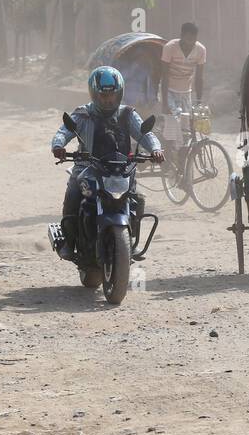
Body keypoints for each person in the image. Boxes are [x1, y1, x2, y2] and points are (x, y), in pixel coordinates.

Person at [51, 66, 163, 261]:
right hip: (87, 167)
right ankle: (69, 243)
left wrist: (155, 149)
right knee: (73, 196)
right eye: (103, 96)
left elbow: (145, 134)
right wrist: (58, 145)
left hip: (121, 170)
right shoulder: (83, 114)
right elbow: (63, 132)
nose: (108, 100)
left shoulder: (127, 114)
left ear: (119, 94)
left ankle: (130, 240)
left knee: (138, 200)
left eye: (112, 96)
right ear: (94, 95)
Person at [155, 22, 205, 149]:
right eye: (188, 39)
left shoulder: (200, 50)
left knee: (186, 127)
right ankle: (166, 155)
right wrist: (165, 103)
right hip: (169, 91)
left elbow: (199, 78)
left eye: (193, 40)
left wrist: (199, 101)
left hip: (186, 92)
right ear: (181, 36)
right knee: (173, 122)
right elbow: (164, 76)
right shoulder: (170, 47)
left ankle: (182, 161)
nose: (190, 43)